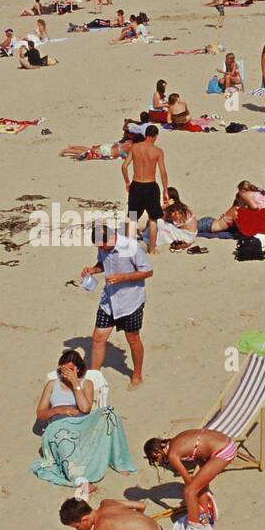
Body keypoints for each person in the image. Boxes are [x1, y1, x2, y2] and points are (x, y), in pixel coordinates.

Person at [31, 349, 134, 491]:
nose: (66, 372)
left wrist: (75, 384)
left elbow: (85, 408)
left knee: (110, 413)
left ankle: (119, 462)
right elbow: (40, 413)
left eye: (70, 369)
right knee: (65, 441)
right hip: (60, 425)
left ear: (77, 369)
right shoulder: (52, 385)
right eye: (63, 368)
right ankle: (80, 480)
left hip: (83, 424)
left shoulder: (87, 383)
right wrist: (58, 410)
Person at [82, 222, 152, 389]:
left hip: (131, 301)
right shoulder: (103, 247)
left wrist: (123, 278)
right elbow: (102, 264)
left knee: (133, 339)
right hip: (109, 300)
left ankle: (137, 375)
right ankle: (94, 376)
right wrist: (93, 269)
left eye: (104, 247)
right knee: (98, 338)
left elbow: (148, 271)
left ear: (112, 237)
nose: (102, 250)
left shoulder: (131, 247)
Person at [144, 429, 235, 530]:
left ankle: (195, 528)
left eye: (156, 460)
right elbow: (198, 451)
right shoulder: (175, 441)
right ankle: (205, 516)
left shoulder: (172, 455)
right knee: (199, 484)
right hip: (227, 443)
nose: (159, 462)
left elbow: (188, 481)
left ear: (157, 454)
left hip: (223, 451)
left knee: (189, 491)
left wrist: (194, 503)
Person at [122, 125, 168, 253]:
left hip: (136, 185)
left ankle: (130, 247)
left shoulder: (135, 147)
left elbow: (124, 167)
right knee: (153, 219)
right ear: (155, 136)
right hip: (150, 186)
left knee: (132, 217)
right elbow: (163, 172)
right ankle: (152, 249)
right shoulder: (157, 151)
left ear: (146, 134)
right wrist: (165, 189)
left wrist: (127, 182)